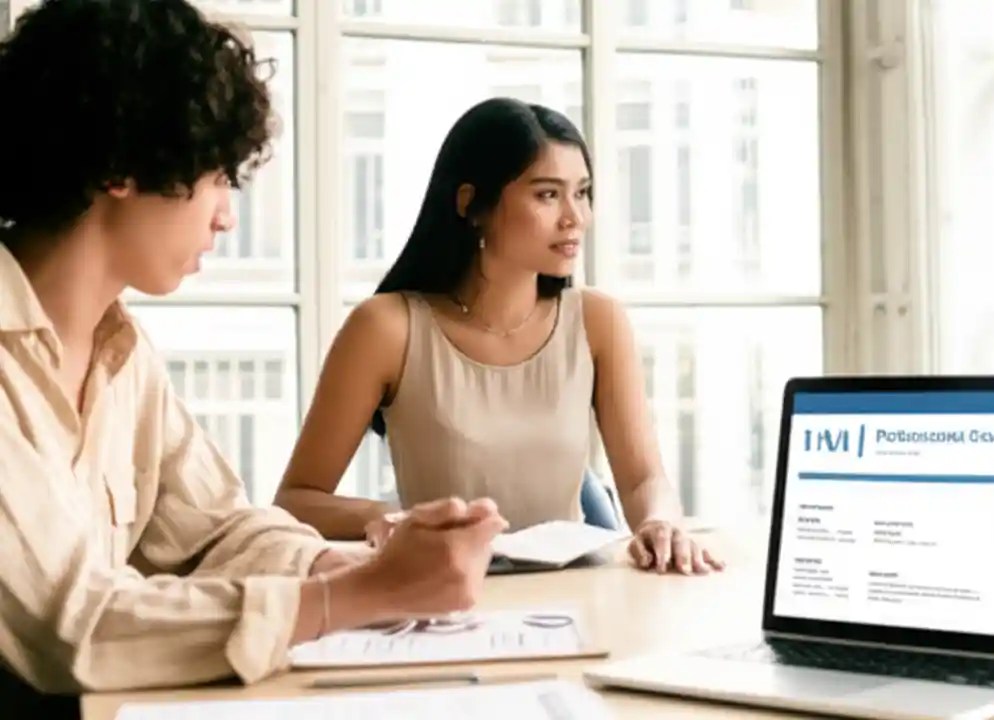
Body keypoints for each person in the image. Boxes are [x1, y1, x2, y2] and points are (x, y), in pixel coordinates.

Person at [0, 0, 506, 713]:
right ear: (119, 166)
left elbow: (216, 531)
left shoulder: (123, 354)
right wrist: (359, 593)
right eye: (214, 176)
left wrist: (350, 562)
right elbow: (76, 627)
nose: (226, 215)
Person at [274, 97, 724, 576]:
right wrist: (377, 516)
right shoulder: (385, 328)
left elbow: (642, 480)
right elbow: (296, 501)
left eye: (583, 192)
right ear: (472, 203)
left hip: (579, 596)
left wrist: (660, 521)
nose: (575, 217)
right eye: (547, 195)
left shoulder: (598, 321)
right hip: (442, 598)